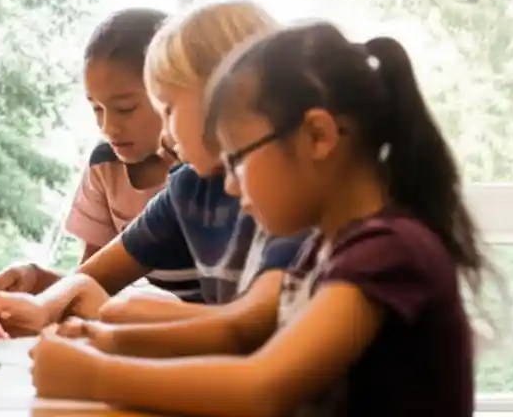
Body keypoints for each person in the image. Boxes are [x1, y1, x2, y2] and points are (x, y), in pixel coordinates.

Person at [32, 22, 488, 417]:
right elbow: (237, 338)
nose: (230, 185)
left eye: (238, 159)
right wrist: (105, 340)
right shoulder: (326, 248)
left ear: (318, 136)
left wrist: (94, 375)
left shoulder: (388, 251)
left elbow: (263, 387)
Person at [0, 0, 305, 335]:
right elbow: (88, 280)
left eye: (169, 109)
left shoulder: (291, 199)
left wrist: (113, 319)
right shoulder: (189, 185)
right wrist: (43, 304)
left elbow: (249, 333)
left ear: (222, 99)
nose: (167, 135)